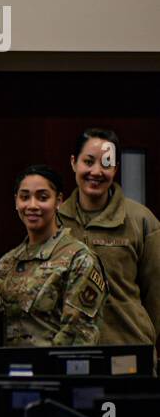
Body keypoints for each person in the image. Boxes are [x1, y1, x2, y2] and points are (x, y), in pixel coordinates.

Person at [58, 128, 160, 357]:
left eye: (106, 163)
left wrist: (144, 335)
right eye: (88, 161)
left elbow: (156, 296)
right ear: (74, 163)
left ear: (115, 168)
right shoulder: (55, 221)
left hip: (128, 349)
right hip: (68, 353)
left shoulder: (141, 221)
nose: (96, 171)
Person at [0, 164, 106, 347]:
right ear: (16, 202)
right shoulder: (7, 263)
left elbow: (77, 334)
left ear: (58, 201)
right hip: (10, 372)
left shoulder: (78, 258)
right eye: (24, 197)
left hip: (56, 371)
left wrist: (47, 371)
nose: (32, 205)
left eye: (42, 197)